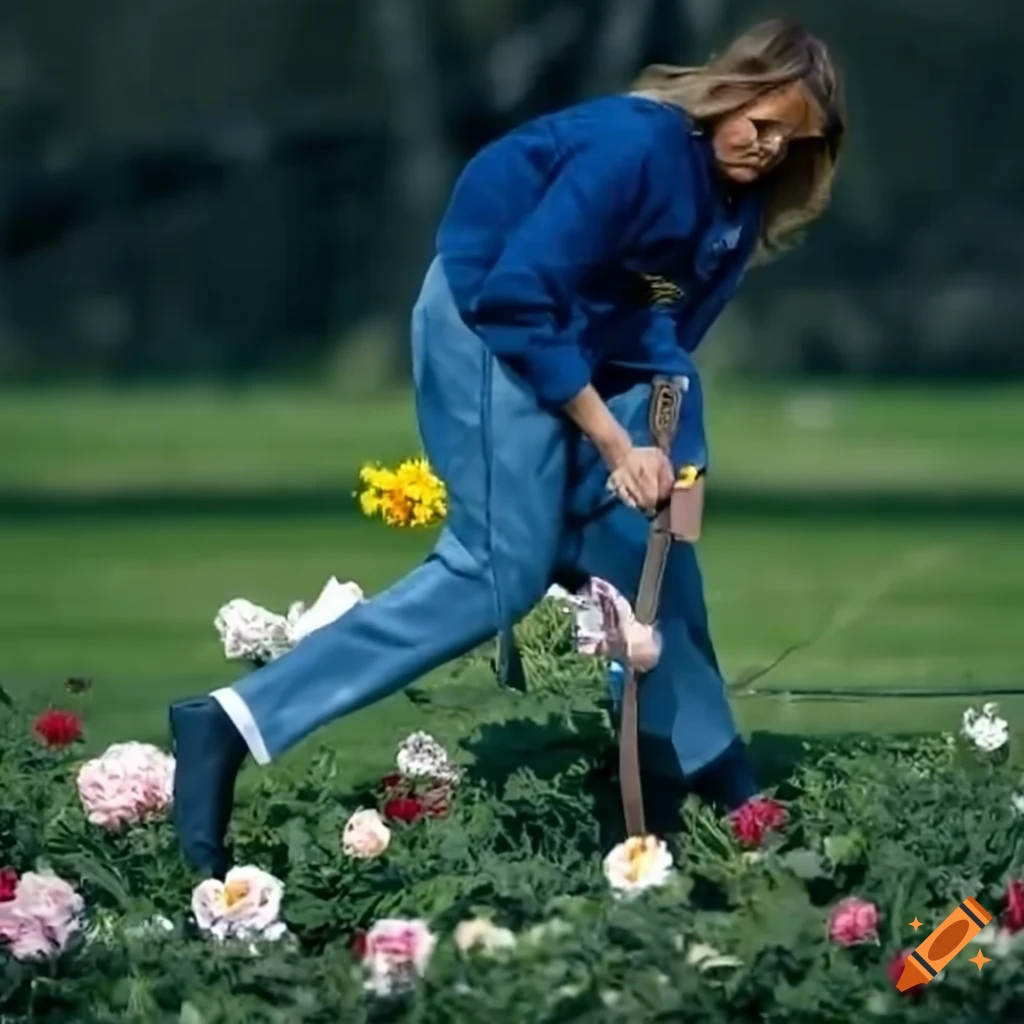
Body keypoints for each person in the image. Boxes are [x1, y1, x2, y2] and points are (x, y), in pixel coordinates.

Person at [169, 18, 845, 879]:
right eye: (762, 123)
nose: (771, 147)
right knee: (501, 569)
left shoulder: (733, 212)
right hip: (487, 322)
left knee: (650, 560)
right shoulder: (635, 147)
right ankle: (230, 721)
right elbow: (520, 295)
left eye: (797, 139)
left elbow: (663, 340)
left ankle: (716, 798)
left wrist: (675, 475)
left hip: (581, 354)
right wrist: (608, 440)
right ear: (728, 95)